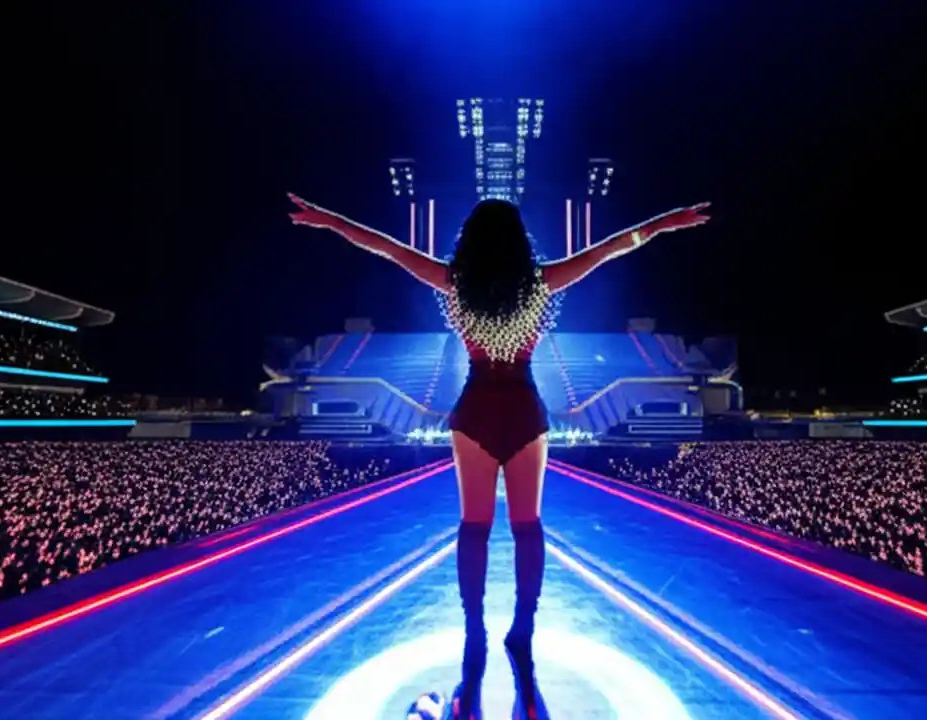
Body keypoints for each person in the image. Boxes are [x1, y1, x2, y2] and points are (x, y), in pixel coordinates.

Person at [289, 193, 709, 719]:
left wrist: (329, 218)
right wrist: (666, 219)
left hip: (476, 412)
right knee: (529, 527)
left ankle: (474, 629)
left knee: (474, 527)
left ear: (472, 239)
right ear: (517, 239)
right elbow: (612, 248)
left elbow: (385, 247)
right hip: (524, 412)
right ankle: (522, 630)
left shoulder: (455, 283)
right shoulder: (541, 283)